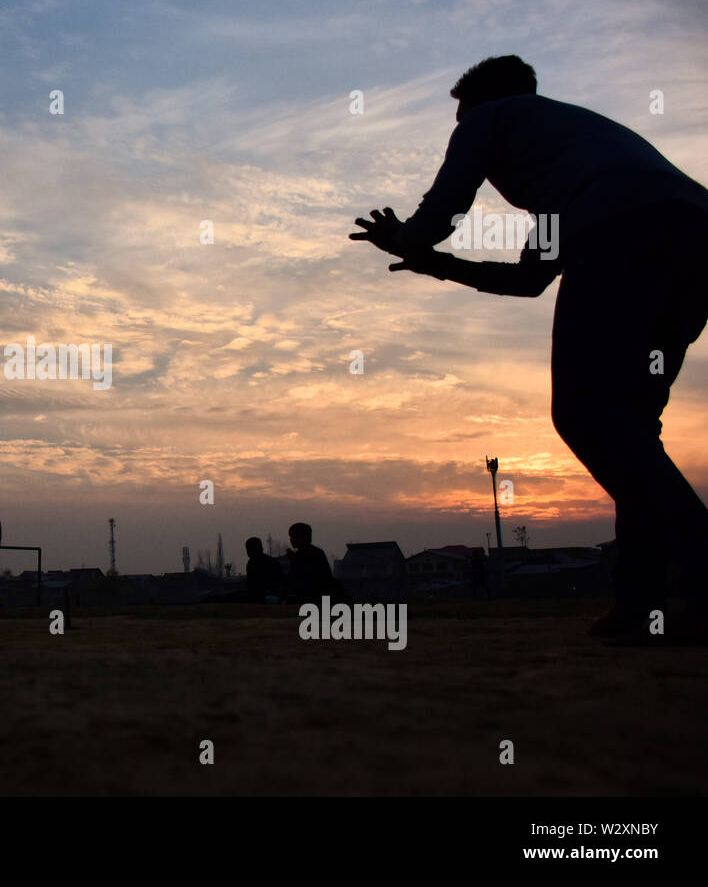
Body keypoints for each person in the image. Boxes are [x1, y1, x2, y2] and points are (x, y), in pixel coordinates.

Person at [350, 55, 708, 641]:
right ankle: (641, 604)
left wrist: (405, 239)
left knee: (585, 416)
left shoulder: (494, 118)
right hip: (694, 236)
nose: (461, 133)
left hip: (625, 237)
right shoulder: (573, 163)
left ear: (477, 106)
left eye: (460, 120)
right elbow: (526, 281)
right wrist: (433, 264)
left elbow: (444, 210)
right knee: (630, 432)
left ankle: (695, 572)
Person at [286, 523, 349, 605]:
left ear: (301, 538)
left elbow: (309, 579)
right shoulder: (316, 553)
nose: (291, 540)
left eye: (293, 537)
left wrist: (295, 560)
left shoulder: (308, 555)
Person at [244, 536, 285, 603]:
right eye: (248, 550)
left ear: (260, 549)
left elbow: (278, 583)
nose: (249, 552)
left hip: (269, 594)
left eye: (252, 549)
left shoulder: (269, 562)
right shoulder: (251, 563)